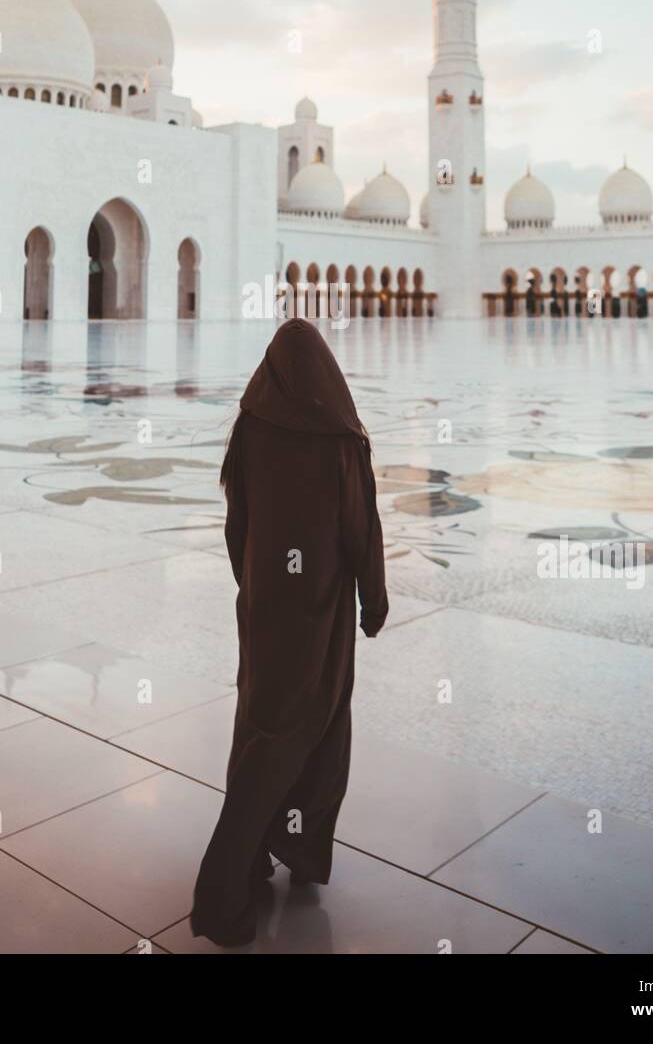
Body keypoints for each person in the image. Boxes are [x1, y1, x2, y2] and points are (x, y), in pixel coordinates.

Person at [190, 316, 388, 947]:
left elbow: (235, 523)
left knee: (259, 726)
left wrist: (253, 586)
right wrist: (373, 599)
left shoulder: (252, 426)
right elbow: (361, 528)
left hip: (266, 608)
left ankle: (277, 854)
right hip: (320, 612)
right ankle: (220, 891)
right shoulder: (338, 434)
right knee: (299, 734)